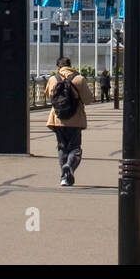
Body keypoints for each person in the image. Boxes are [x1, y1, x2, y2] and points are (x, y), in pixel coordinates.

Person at [45, 57, 94, 187]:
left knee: (62, 147)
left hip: (58, 119)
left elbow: (49, 95)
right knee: (75, 148)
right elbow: (88, 99)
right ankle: (69, 166)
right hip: (75, 119)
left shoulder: (52, 79)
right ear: (70, 65)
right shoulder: (79, 79)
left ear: (58, 67)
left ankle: (64, 178)